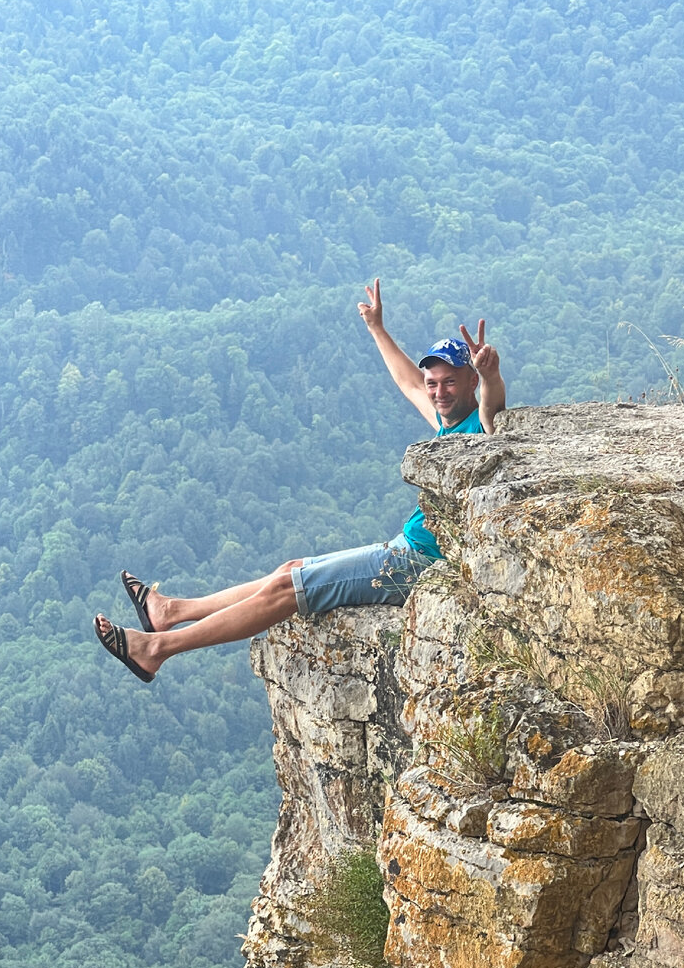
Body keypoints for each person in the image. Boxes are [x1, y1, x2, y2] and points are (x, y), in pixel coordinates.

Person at [94, 278, 506, 682]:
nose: (438, 391)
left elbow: (493, 411)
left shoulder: (480, 425)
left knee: (289, 589)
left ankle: (157, 650)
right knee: (288, 568)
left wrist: (490, 375)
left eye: (450, 381)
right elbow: (407, 381)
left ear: (470, 381)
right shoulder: (445, 420)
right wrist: (377, 328)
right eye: (434, 383)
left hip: (419, 564)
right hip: (406, 546)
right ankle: (171, 612)